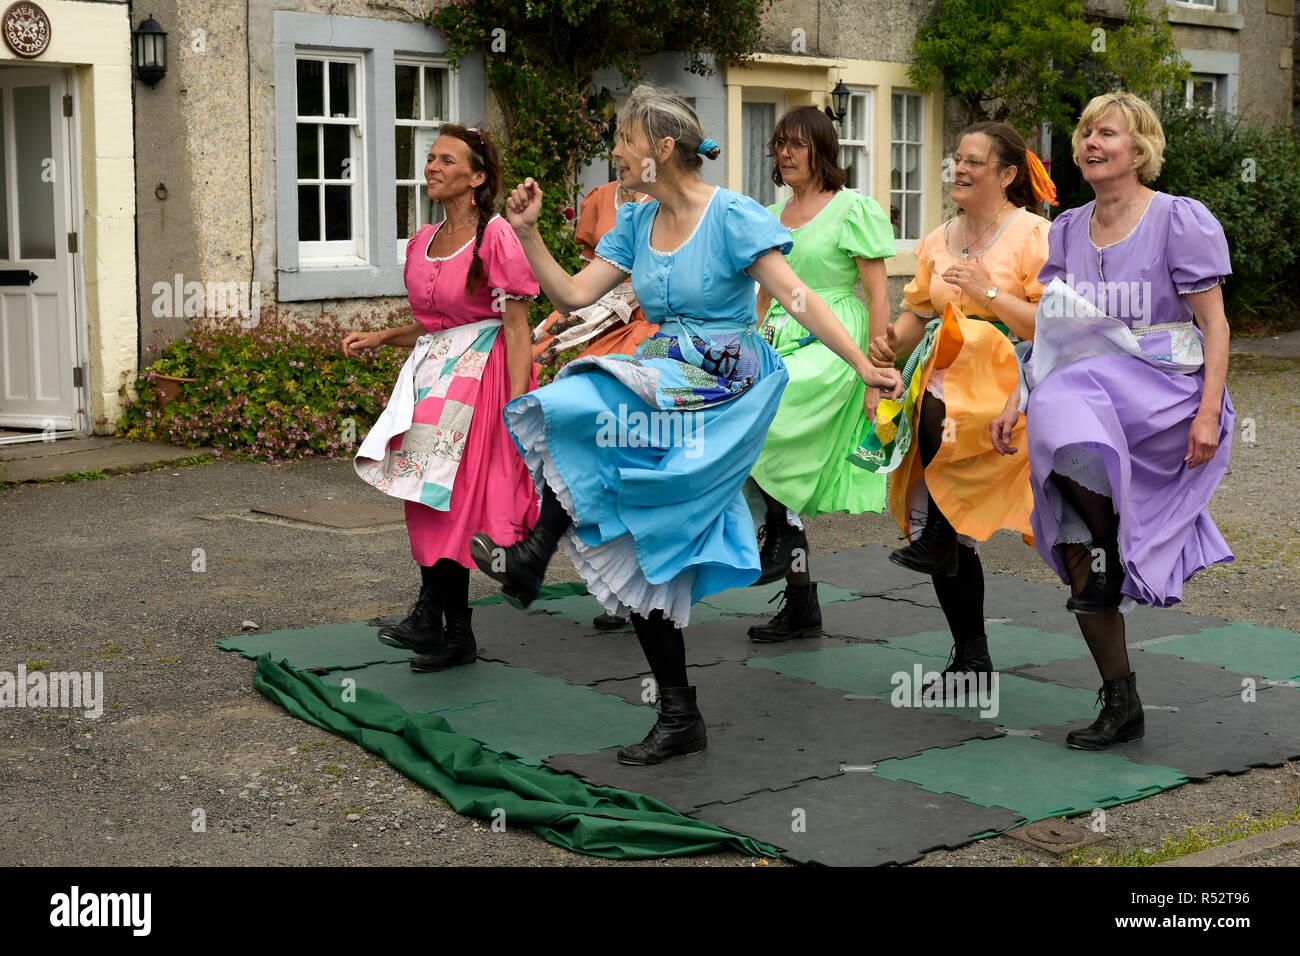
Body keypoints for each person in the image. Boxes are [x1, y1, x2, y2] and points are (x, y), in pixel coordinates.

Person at [470, 85, 902, 765]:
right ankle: (678, 713)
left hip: (720, 379)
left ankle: (531, 554)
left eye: (624, 140)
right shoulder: (637, 221)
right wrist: (525, 235)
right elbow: (577, 293)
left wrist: (864, 367)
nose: (614, 151)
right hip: (663, 374)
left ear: (661, 149)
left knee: (580, 396)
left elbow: (798, 296)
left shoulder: (731, 215)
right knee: (644, 545)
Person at [991, 92, 1233, 750]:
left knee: (1066, 396)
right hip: (1087, 399)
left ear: (1140, 150)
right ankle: (1120, 696)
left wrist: (1209, 413)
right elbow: (1055, 330)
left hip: (1163, 394)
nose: (1091, 142)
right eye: (1085, 133)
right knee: (1077, 551)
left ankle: (1112, 556)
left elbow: (1213, 323)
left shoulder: (1179, 220)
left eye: (1108, 133)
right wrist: (1017, 393)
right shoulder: (1067, 228)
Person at [866, 121, 1054, 692]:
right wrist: (886, 347)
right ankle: (971, 656)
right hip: (944, 375)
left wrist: (987, 291)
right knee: (931, 510)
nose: (961, 169)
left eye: (975, 161)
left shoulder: (1032, 235)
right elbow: (917, 315)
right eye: (958, 159)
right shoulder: (937, 239)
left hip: (1006, 373)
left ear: (1006, 175)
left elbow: (1051, 324)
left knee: (940, 408)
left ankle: (944, 536)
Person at [343, 125, 539, 673]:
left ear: (476, 177)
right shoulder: (424, 238)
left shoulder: (495, 236)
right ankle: (446, 628)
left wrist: (519, 406)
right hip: (431, 375)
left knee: (445, 498)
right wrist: (382, 338)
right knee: (424, 493)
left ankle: (442, 623)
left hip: (483, 377)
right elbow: (435, 325)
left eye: (446, 159)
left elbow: (518, 326)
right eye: (430, 158)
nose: (432, 166)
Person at [746, 106, 896, 642]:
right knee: (731, 413)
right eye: (780, 143)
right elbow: (763, 294)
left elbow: (879, 294)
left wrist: (878, 373)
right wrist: (747, 342)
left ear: (822, 151)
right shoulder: (766, 214)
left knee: (768, 411)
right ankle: (802, 597)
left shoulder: (851, 208)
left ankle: (781, 531)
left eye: (798, 144)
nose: (785, 153)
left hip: (834, 338)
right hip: (778, 335)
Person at [531, 179, 657, 632]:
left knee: (636, 466)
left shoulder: (681, 206)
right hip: (612, 335)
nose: (619, 151)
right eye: (617, 140)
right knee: (596, 452)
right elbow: (587, 282)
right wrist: (562, 329)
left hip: (658, 342)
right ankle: (620, 590)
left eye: (627, 139)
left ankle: (642, 589)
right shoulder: (602, 200)